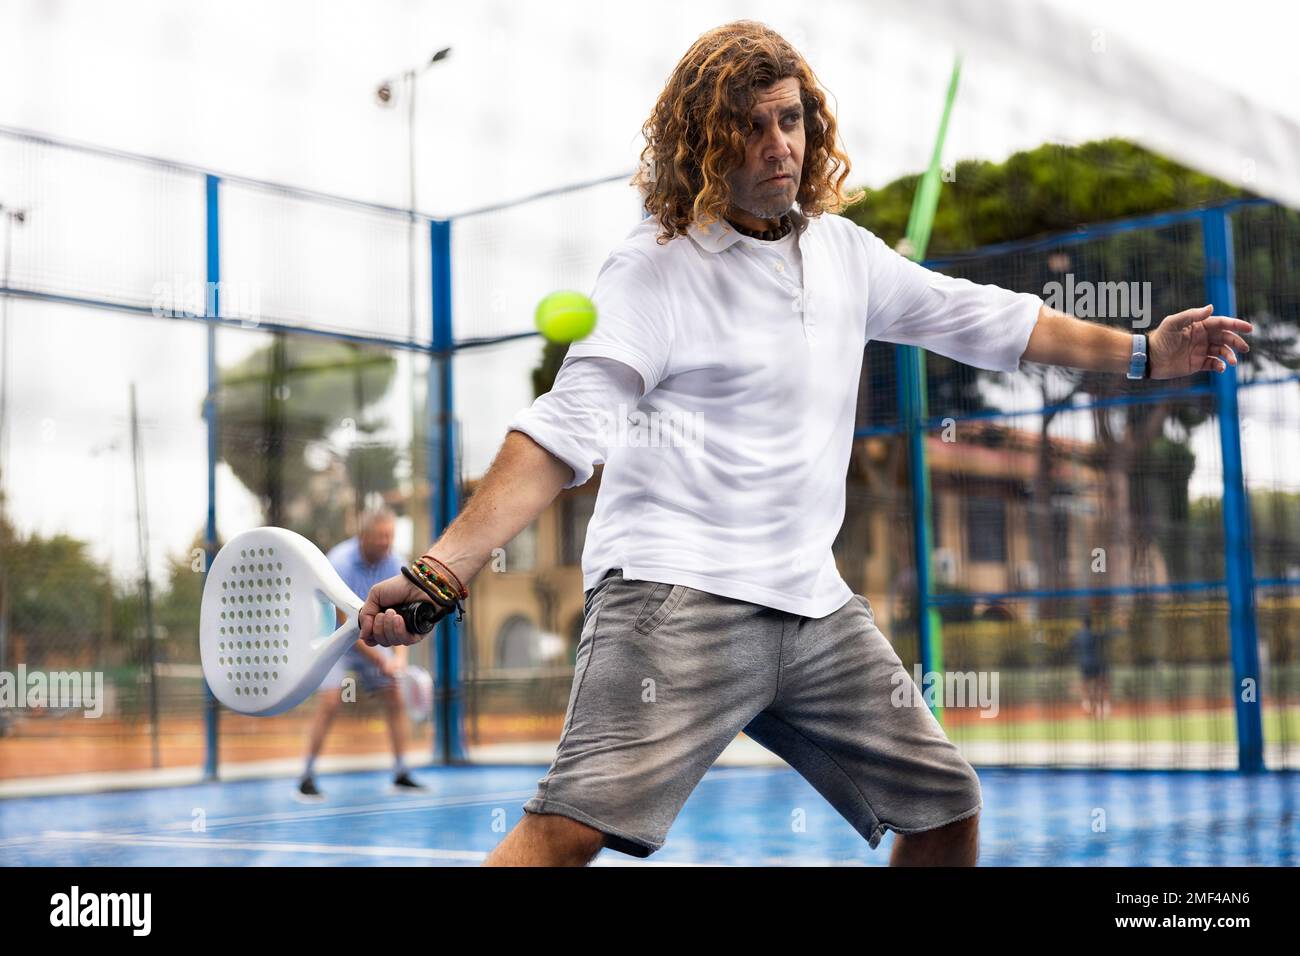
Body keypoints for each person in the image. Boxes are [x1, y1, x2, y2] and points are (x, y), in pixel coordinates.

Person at [354, 21, 1252, 865]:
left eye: (790, 119)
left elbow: (983, 319)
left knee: (946, 806)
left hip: (812, 606)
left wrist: (1139, 352)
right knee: (567, 834)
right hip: (674, 597)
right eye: (750, 128)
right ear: (706, 144)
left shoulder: (844, 254)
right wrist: (443, 568)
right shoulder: (655, 268)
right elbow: (564, 428)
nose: (778, 144)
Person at [296, 507, 426, 801]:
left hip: (373, 637)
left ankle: (402, 772)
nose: (385, 542)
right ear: (363, 536)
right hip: (335, 639)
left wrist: (399, 659)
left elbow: (402, 620)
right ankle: (306, 777)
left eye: (389, 536)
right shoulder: (338, 562)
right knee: (330, 701)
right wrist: (382, 658)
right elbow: (344, 622)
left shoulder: (396, 564)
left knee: (394, 696)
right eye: (380, 536)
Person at [1074, 612, 1112, 718]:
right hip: (1096, 662)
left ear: (1082, 623)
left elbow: (1075, 648)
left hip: (1084, 664)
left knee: (1086, 686)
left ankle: (1088, 707)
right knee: (1101, 685)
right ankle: (1104, 708)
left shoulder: (1078, 636)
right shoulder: (1095, 634)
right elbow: (1105, 639)